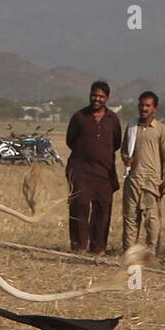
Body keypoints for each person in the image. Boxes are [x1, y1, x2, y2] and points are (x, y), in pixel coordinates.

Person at [64, 80, 122, 254]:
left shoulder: (113, 120)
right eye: (94, 95)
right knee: (79, 207)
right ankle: (79, 246)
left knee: (102, 211)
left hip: (105, 173)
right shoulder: (79, 117)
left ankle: (98, 248)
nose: (97, 99)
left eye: (101, 96)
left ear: (107, 98)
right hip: (81, 171)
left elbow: (116, 143)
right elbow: (70, 141)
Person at [119, 90, 165, 254]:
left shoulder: (161, 130)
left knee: (152, 219)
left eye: (147, 105)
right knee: (130, 217)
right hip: (133, 178)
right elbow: (124, 149)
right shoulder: (132, 126)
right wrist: (125, 158)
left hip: (152, 181)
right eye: (141, 105)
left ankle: (151, 253)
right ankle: (129, 252)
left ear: (154, 108)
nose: (144, 108)